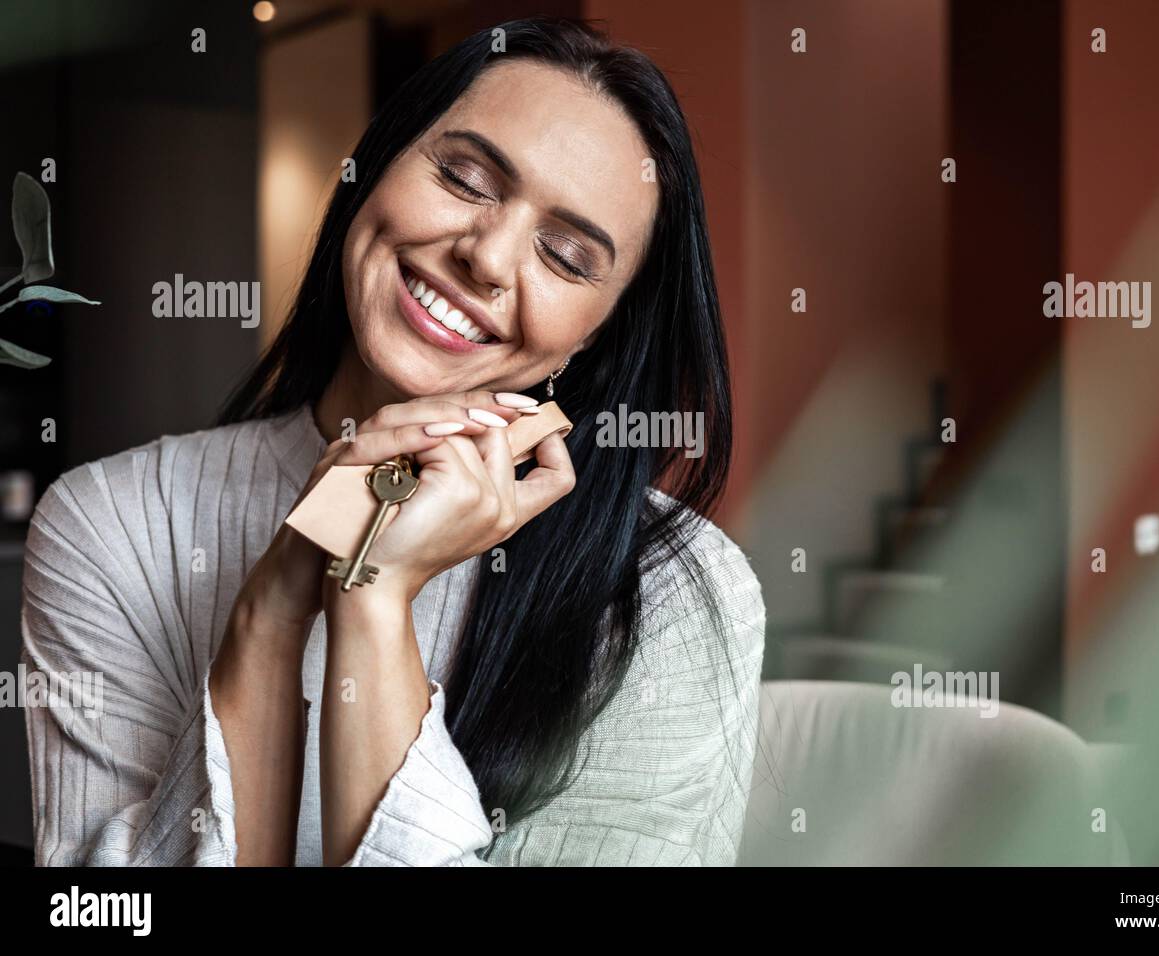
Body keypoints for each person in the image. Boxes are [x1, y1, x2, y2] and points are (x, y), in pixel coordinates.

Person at [20, 16, 765, 867]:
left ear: (596, 333)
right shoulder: (112, 521)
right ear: (371, 168)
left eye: (563, 255)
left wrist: (373, 600)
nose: (487, 256)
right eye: (464, 177)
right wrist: (272, 608)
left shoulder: (674, 585)